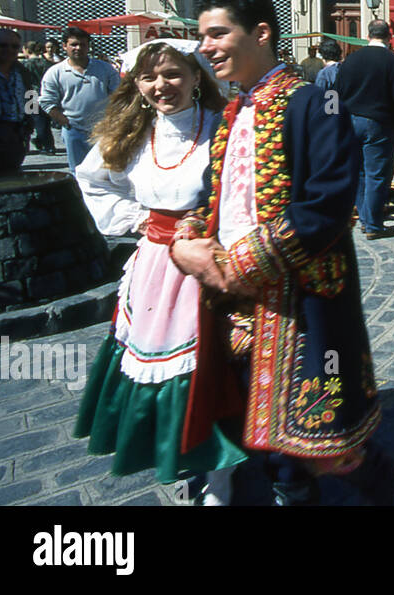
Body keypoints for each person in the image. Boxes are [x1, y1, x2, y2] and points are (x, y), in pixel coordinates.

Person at [171, 0, 392, 506]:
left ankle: (364, 480)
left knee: (321, 424)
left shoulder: (314, 102)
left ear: (262, 34)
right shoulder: (231, 112)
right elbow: (216, 194)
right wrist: (189, 241)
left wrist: (241, 264)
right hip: (236, 300)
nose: (206, 46)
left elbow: (326, 204)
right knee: (254, 409)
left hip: (302, 296)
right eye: (202, 36)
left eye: (218, 33)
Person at [72, 39, 246, 497]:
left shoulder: (223, 126)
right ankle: (178, 454)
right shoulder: (129, 133)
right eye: (149, 77)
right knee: (167, 372)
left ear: (195, 76)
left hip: (211, 263)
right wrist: (140, 219)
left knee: (213, 369)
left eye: (171, 74)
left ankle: (220, 473)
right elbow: (92, 180)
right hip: (155, 268)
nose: (160, 86)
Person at [334, 20, 394, 240]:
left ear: (368, 35)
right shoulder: (393, 61)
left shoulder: (350, 59)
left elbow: (333, 92)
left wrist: (330, 119)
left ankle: (365, 217)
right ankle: (372, 224)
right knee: (377, 174)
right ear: (389, 37)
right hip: (379, 124)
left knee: (359, 172)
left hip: (349, 122)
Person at [40, 26, 120, 174]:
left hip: (102, 129)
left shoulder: (105, 69)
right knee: (78, 170)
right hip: (73, 130)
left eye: (83, 44)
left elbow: (119, 94)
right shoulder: (55, 72)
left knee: (105, 170)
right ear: (64, 46)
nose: (78, 48)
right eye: (74, 44)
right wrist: (63, 120)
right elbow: (46, 101)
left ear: (88, 46)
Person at [0, 28, 34, 177]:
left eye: (14, 46)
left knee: (10, 178)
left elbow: (31, 97)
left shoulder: (22, 71)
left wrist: (29, 124)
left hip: (14, 134)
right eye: (3, 45)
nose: (9, 50)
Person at [21, 40, 56, 154]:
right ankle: (47, 143)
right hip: (45, 93)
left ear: (27, 50)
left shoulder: (25, 64)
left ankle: (43, 143)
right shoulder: (46, 63)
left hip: (30, 95)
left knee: (35, 120)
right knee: (44, 120)